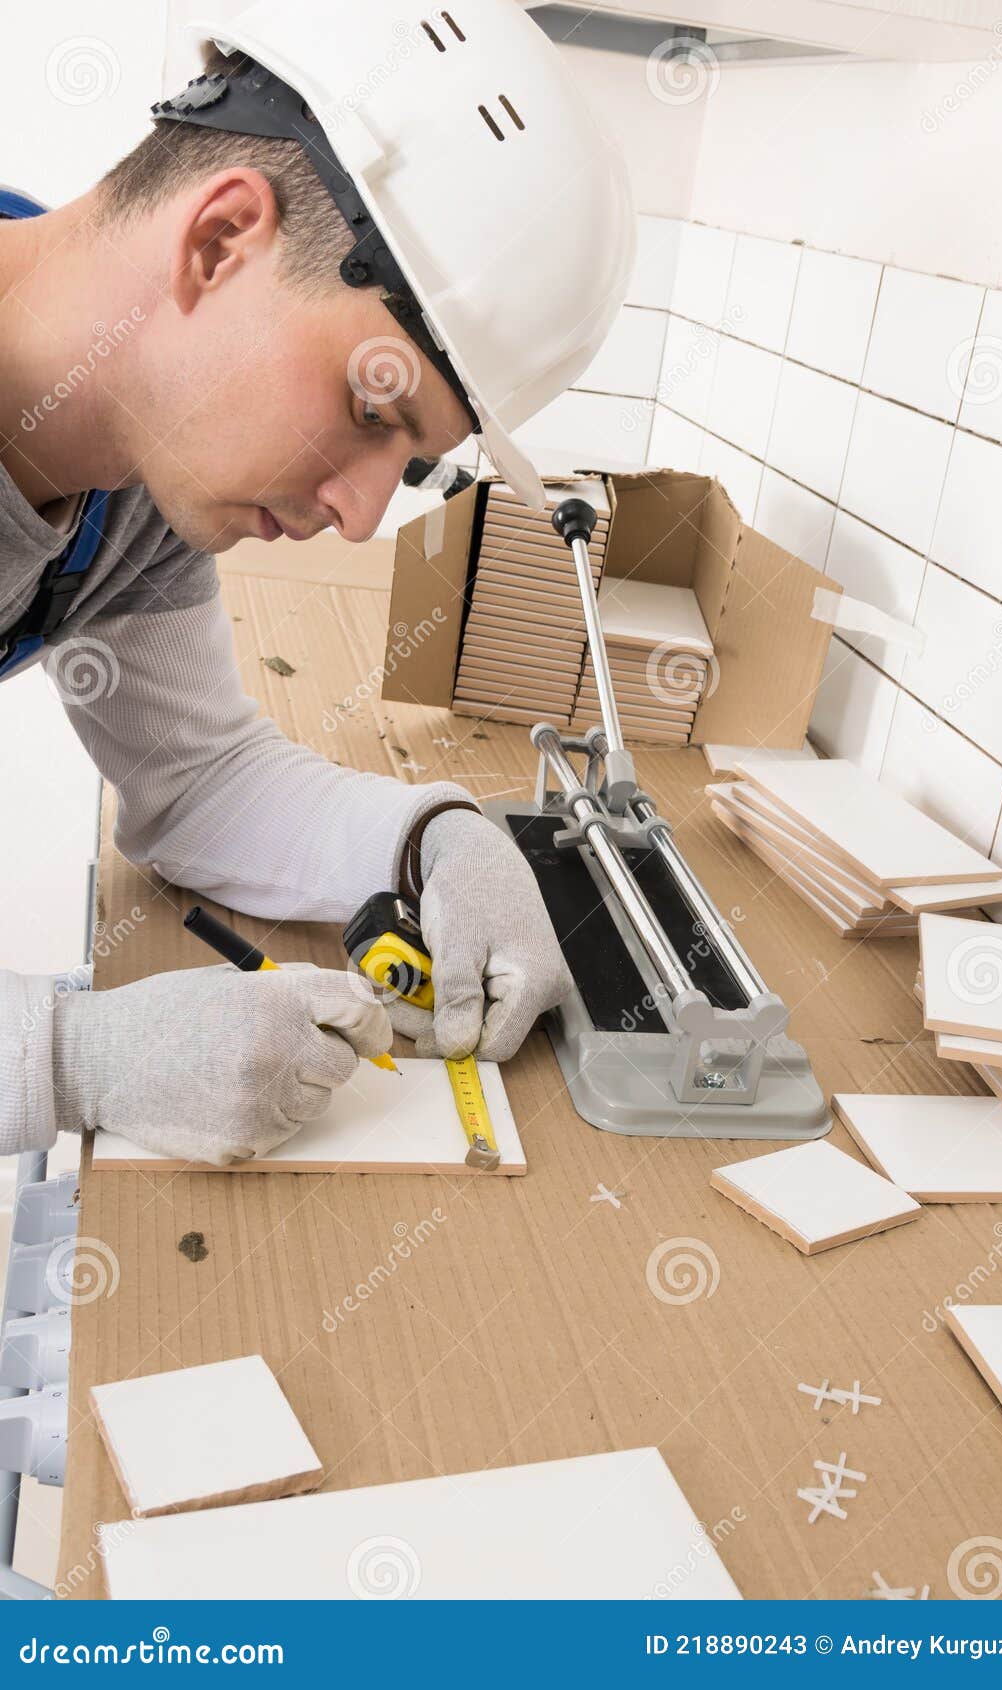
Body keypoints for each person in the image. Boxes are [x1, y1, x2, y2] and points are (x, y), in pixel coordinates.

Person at [0, 0, 635, 1165]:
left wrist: (429, 837)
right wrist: (60, 1057)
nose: (353, 517)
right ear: (221, 240)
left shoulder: (129, 475)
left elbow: (196, 783)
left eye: (404, 463)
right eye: (366, 411)